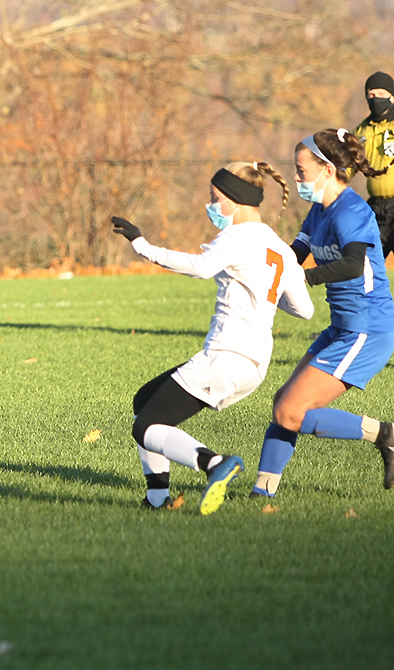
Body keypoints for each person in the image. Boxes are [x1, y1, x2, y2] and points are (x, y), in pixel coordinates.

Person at [113, 161, 314, 515]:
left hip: (226, 354)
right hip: (254, 364)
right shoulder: (280, 247)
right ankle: (156, 499)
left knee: (146, 426)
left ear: (235, 200)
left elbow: (201, 266)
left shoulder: (237, 236)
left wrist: (142, 245)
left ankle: (215, 464)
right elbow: (304, 310)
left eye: (214, 197)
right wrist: (265, 291)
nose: (211, 205)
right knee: (145, 402)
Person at [251, 128, 394, 499]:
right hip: (343, 327)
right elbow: (296, 250)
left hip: (367, 330)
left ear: (327, 170)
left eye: (301, 170)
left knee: (289, 411)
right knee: (283, 403)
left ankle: (387, 435)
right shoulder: (319, 210)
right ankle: (261, 494)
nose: (297, 177)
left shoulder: (352, 210)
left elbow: (352, 263)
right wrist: (265, 263)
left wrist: (305, 277)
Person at [349, 71, 394, 260]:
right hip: (376, 205)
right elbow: (350, 164)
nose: (375, 98)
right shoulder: (361, 130)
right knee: (369, 262)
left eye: (380, 94)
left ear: (391, 97)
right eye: (371, 94)